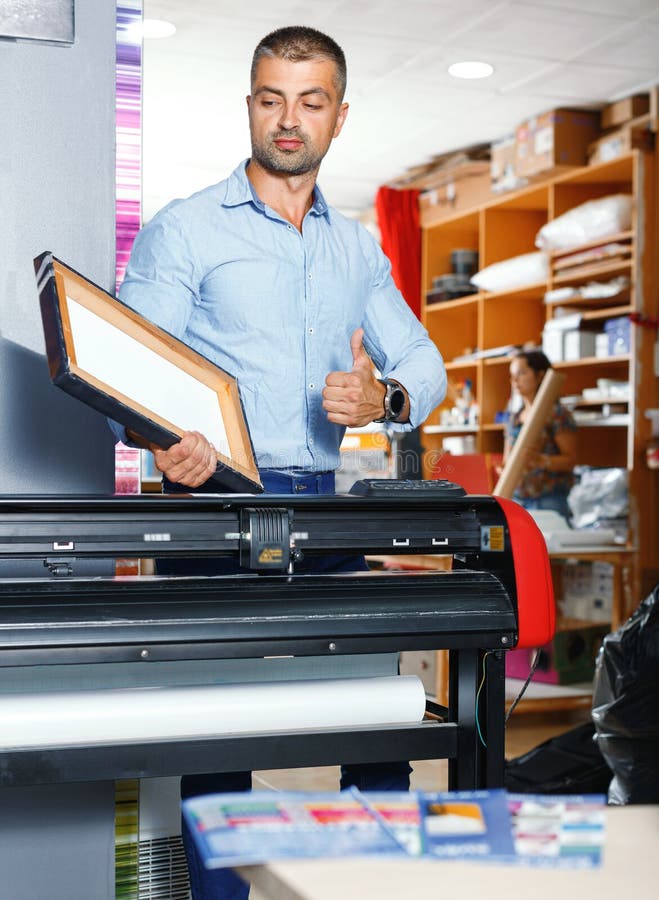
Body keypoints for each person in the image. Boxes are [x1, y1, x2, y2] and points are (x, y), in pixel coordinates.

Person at [110, 25, 446, 899]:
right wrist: (160, 440)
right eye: (270, 99)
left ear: (338, 116)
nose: (287, 120)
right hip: (211, 506)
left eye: (310, 101)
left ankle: (369, 887)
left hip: (324, 513)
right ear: (250, 106)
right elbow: (129, 372)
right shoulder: (182, 230)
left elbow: (425, 365)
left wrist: (387, 402)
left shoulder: (356, 249)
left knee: (376, 725)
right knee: (221, 748)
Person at [502, 349, 577, 520]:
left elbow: (571, 460)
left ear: (540, 375)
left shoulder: (556, 414)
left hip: (549, 499)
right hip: (517, 499)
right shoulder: (514, 418)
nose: (515, 380)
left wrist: (540, 461)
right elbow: (508, 459)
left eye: (521, 373)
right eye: (512, 375)